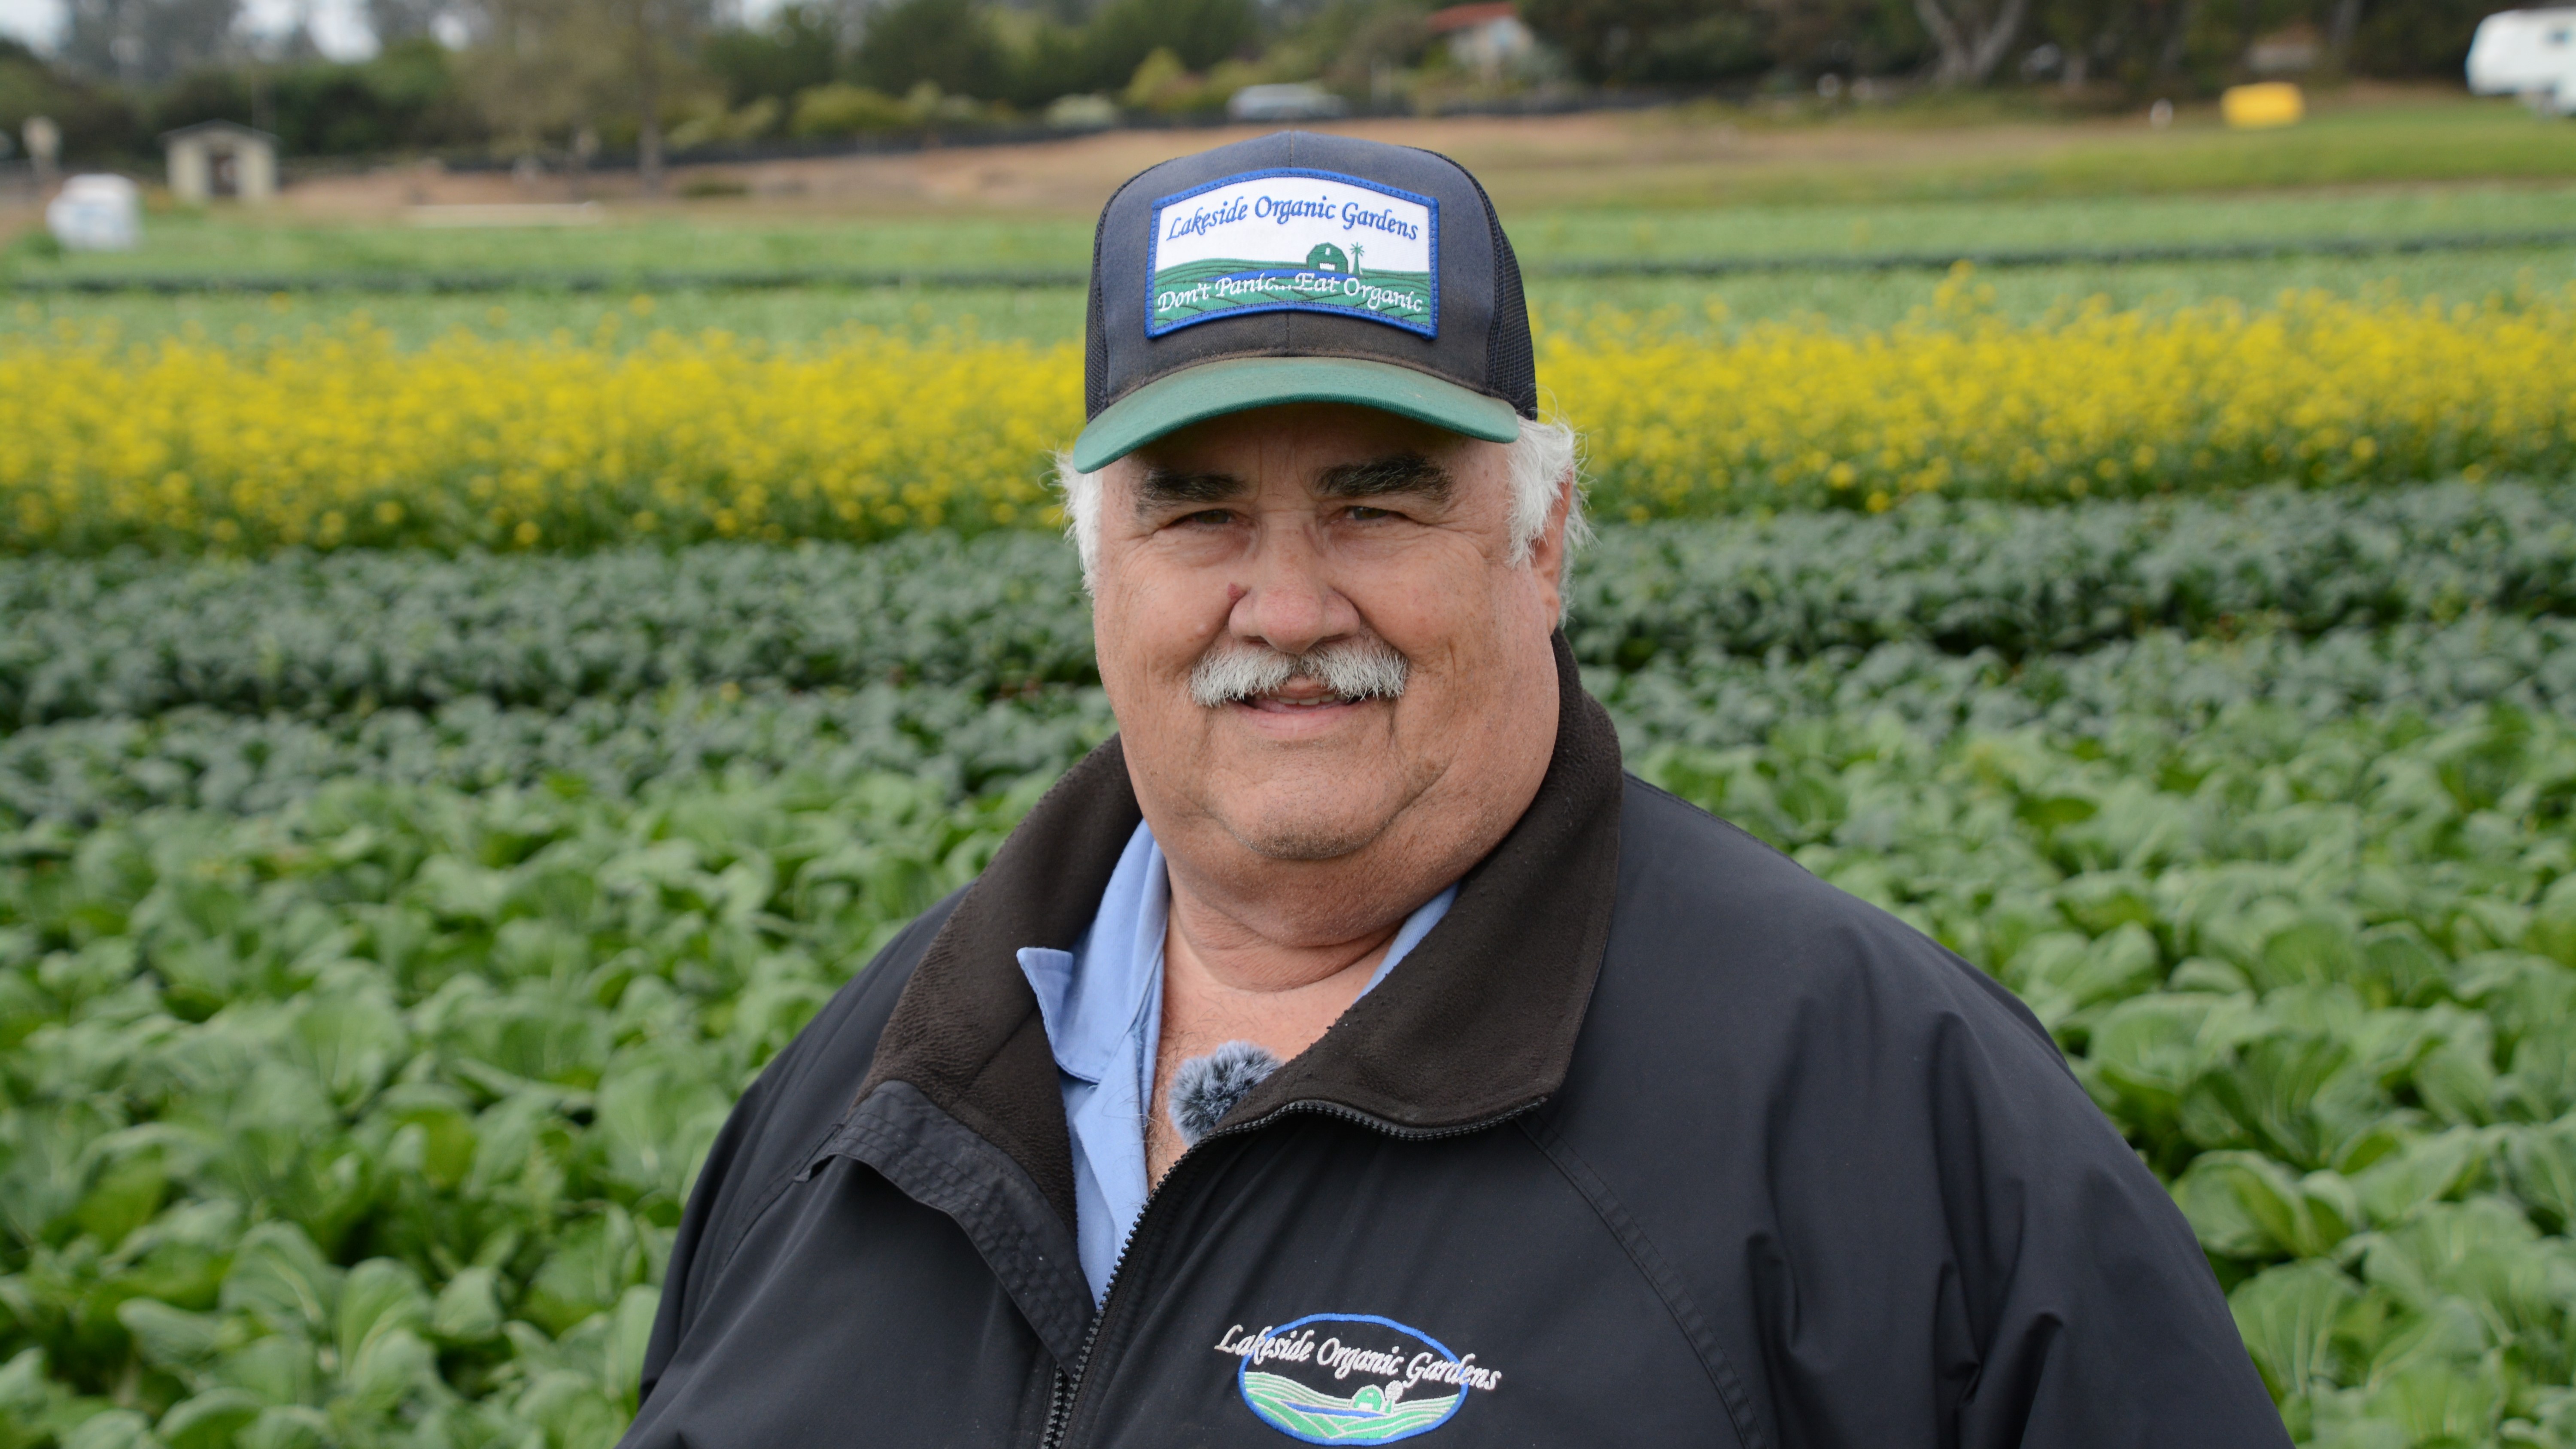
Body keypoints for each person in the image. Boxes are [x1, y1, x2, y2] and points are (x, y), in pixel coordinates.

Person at [620, 132, 2290, 1449]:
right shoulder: (855, 1108)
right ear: (1096, 568)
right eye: (1198, 513)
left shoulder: (1893, 1120)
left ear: (1542, 543)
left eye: (1377, 505)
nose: (1283, 610)